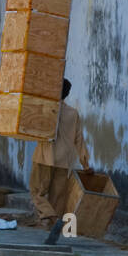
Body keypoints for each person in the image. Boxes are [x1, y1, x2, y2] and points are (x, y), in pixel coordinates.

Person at [30, 78, 91, 245]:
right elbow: (79, 139)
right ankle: (52, 235)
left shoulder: (45, 109)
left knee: (37, 192)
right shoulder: (73, 113)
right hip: (64, 161)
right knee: (58, 199)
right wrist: (85, 163)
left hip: (45, 157)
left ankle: (54, 218)